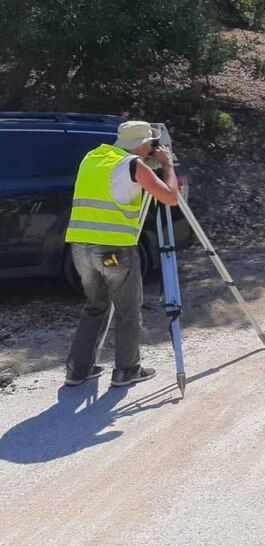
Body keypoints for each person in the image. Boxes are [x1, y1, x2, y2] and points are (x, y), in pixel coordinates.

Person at [64, 121, 180, 387]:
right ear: (142, 143)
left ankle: (77, 371)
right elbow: (170, 198)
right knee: (127, 310)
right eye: (151, 143)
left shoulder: (92, 158)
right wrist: (167, 166)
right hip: (114, 249)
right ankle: (126, 370)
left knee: (95, 307)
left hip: (80, 247)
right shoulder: (133, 165)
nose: (153, 147)